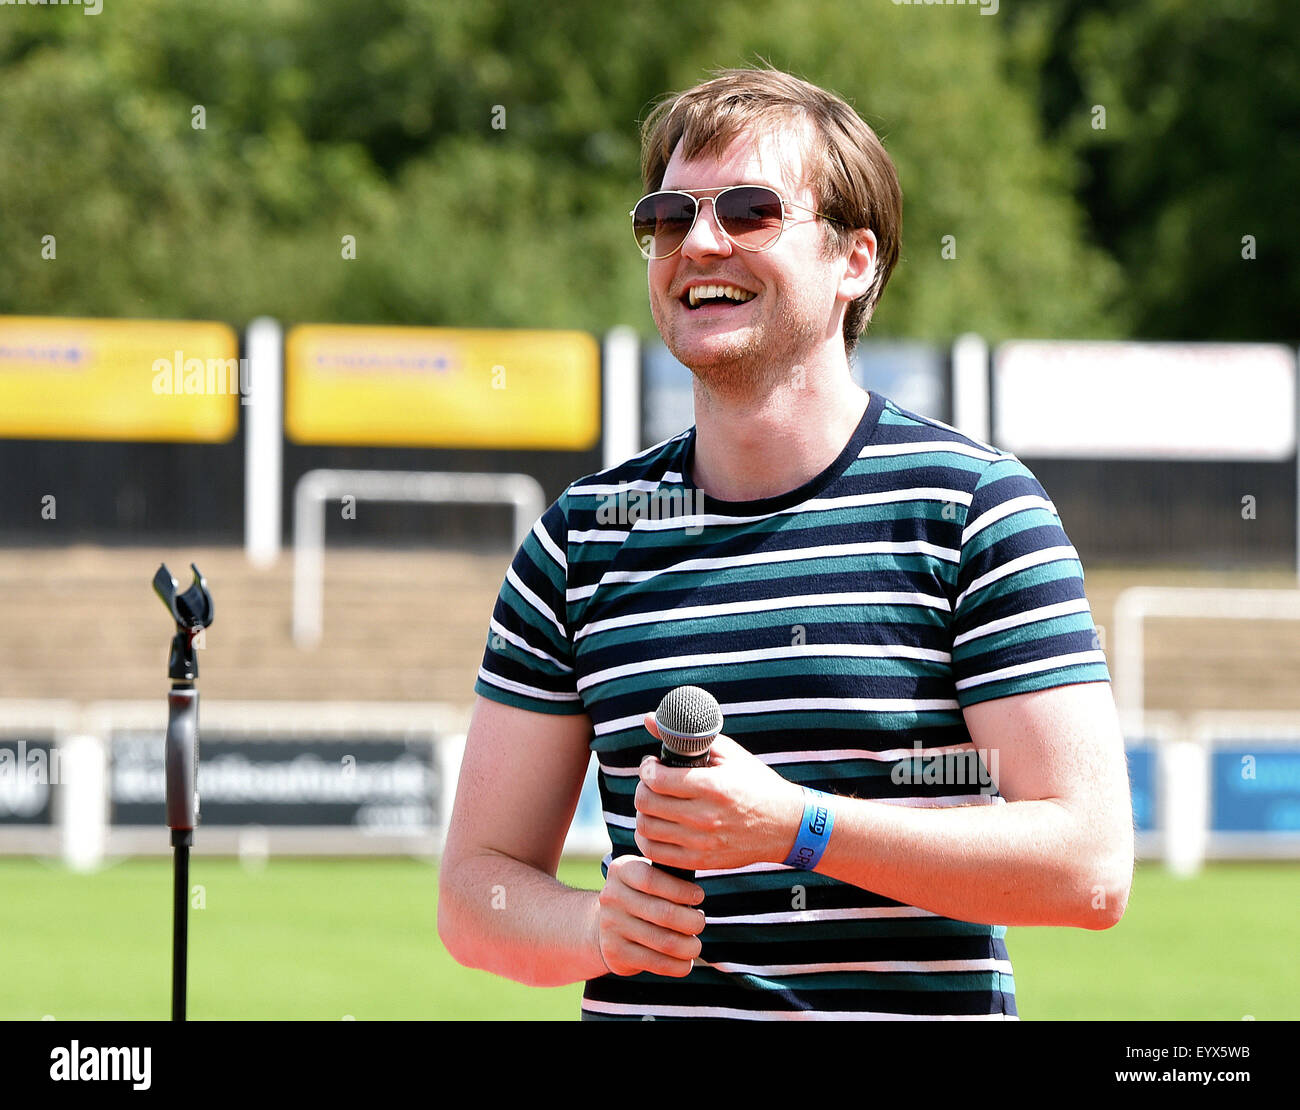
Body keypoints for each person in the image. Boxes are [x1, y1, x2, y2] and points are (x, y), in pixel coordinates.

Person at [438, 66, 1134, 1020]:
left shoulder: (975, 509)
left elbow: (1089, 866)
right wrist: (597, 927)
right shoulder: (580, 538)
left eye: (750, 211)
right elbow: (474, 895)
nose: (699, 243)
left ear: (856, 261)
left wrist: (797, 828)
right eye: (668, 219)